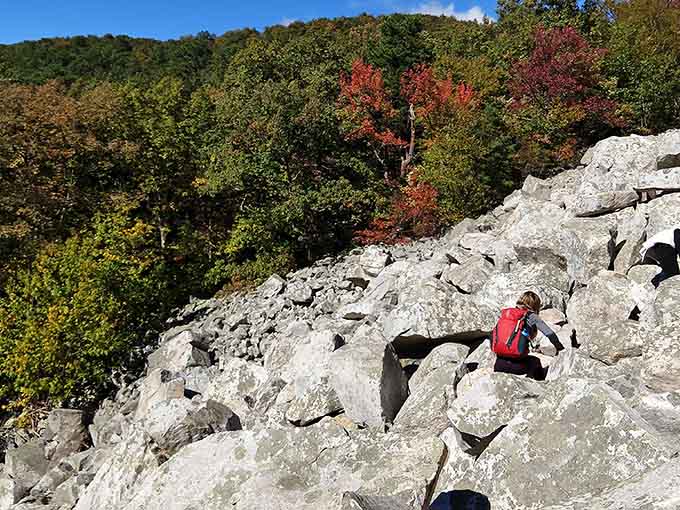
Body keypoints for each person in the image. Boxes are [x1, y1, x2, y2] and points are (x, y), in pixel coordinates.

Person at [492, 291, 564, 381]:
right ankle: (543, 388)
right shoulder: (531, 316)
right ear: (535, 306)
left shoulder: (507, 314)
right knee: (536, 362)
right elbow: (550, 333)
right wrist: (560, 348)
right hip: (517, 366)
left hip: (498, 364)